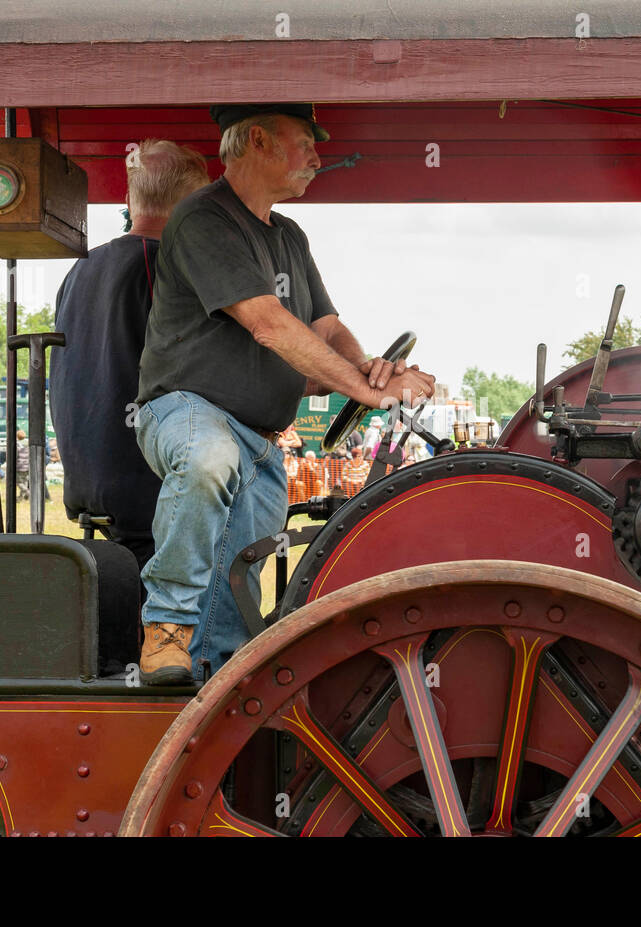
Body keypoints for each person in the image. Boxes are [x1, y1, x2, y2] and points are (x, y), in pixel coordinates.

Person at [132, 102, 435, 684]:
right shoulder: (204, 219)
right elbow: (268, 323)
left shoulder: (289, 235)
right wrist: (368, 391)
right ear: (257, 141)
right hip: (189, 411)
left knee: (236, 621)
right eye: (306, 142)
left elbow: (325, 327)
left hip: (262, 441)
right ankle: (164, 629)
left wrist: (375, 370)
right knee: (206, 459)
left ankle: (210, 690)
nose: (319, 156)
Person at [50, 139, 210, 571]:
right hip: (147, 483)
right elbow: (200, 371)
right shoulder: (166, 267)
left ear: (128, 199)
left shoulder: (80, 267)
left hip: (91, 476)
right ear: (194, 205)